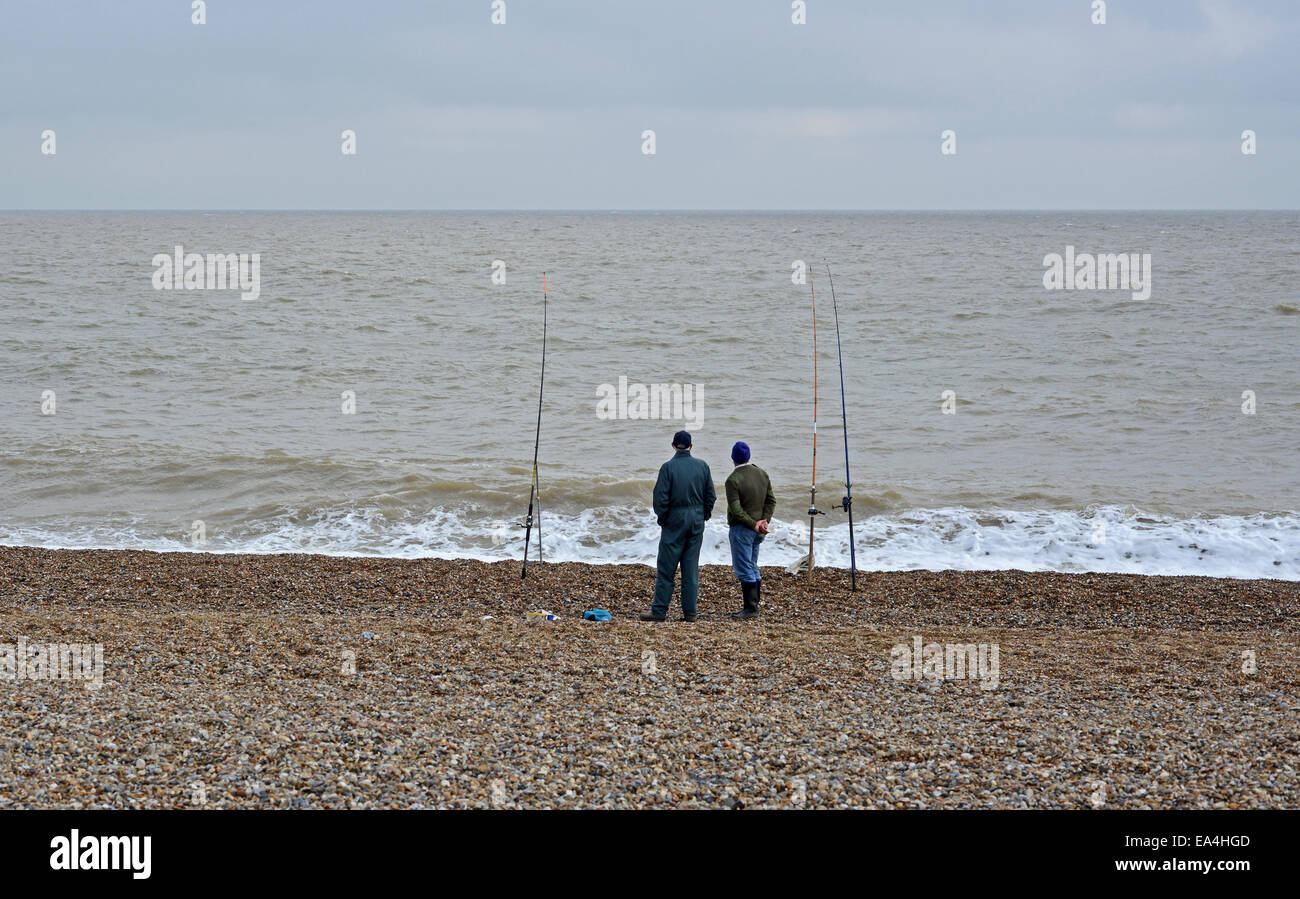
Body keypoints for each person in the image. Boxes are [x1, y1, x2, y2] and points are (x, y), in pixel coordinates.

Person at [641, 430, 715, 622]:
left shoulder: (668, 467)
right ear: (691, 446)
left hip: (675, 520)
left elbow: (660, 499)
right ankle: (690, 612)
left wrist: (663, 519)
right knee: (690, 569)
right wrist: (703, 515)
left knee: (667, 568)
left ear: (673, 445)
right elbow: (711, 496)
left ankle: (659, 611)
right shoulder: (703, 466)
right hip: (696, 520)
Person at [724, 441, 775, 619]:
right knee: (752, 565)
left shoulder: (733, 480)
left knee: (744, 567)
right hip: (760, 529)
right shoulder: (762, 473)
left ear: (733, 458)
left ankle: (750, 609)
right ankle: (754, 605)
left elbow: (736, 510)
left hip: (743, 529)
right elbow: (771, 501)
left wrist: (753, 524)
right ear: (749, 456)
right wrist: (764, 521)